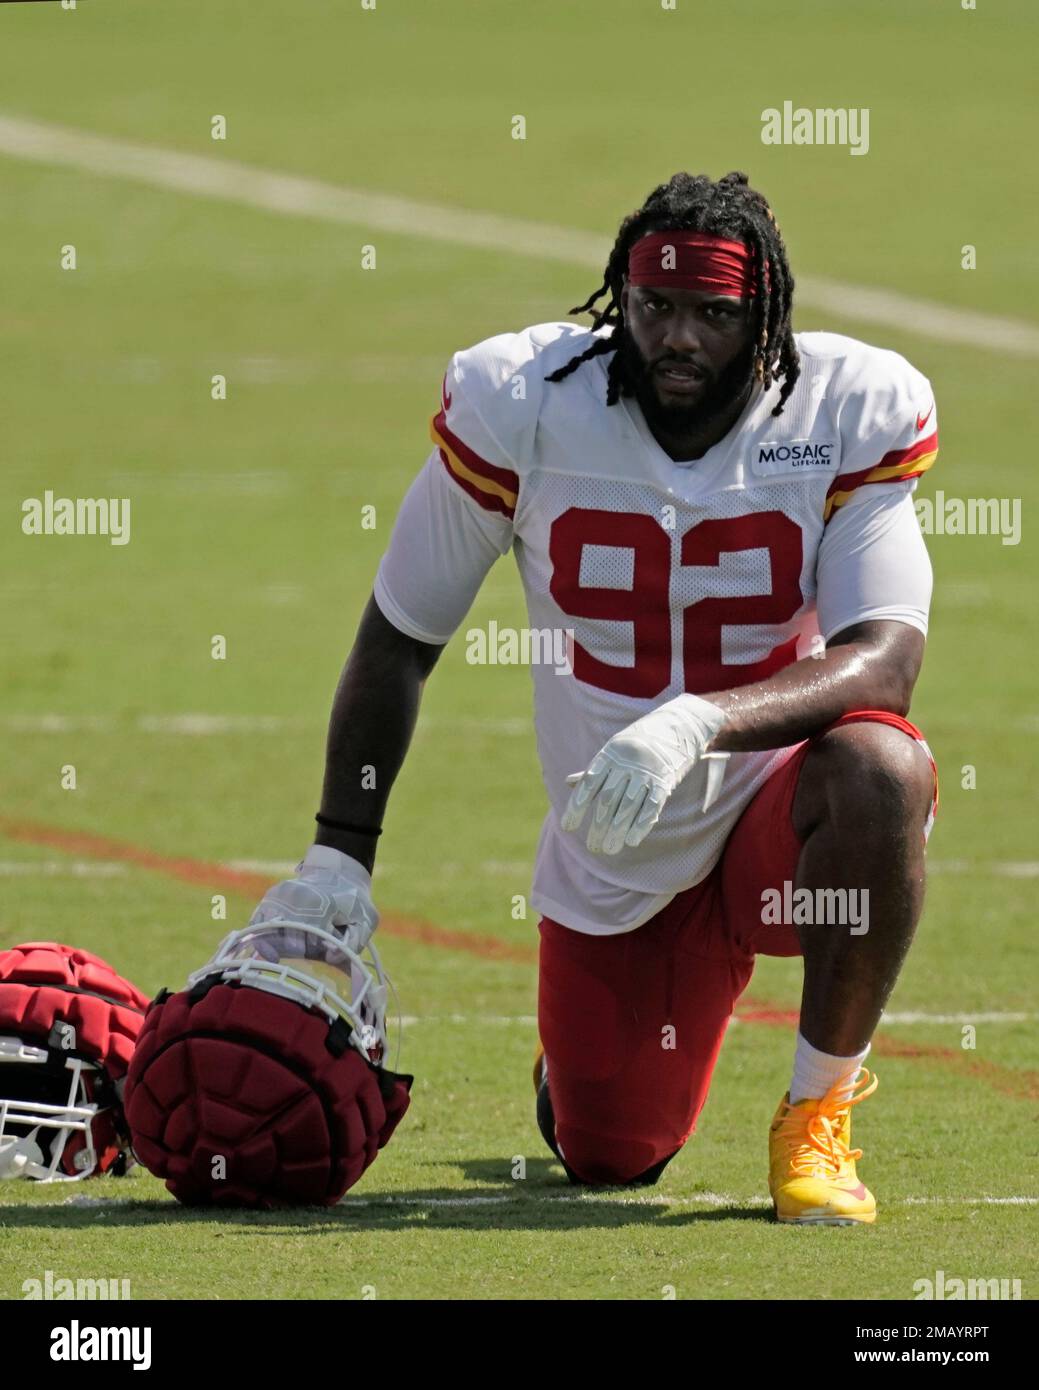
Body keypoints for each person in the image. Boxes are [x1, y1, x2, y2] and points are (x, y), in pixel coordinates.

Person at [249, 170, 939, 1224]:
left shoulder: (843, 409)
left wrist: (700, 718)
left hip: (777, 822)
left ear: (764, 319)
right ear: (621, 295)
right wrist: (340, 847)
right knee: (609, 1159)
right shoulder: (526, 404)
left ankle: (816, 1112)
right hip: (618, 842)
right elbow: (402, 635)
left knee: (882, 766)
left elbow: (883, 658)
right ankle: (576, 1077)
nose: (676, 339)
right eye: (654, 307)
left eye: (712, 315)